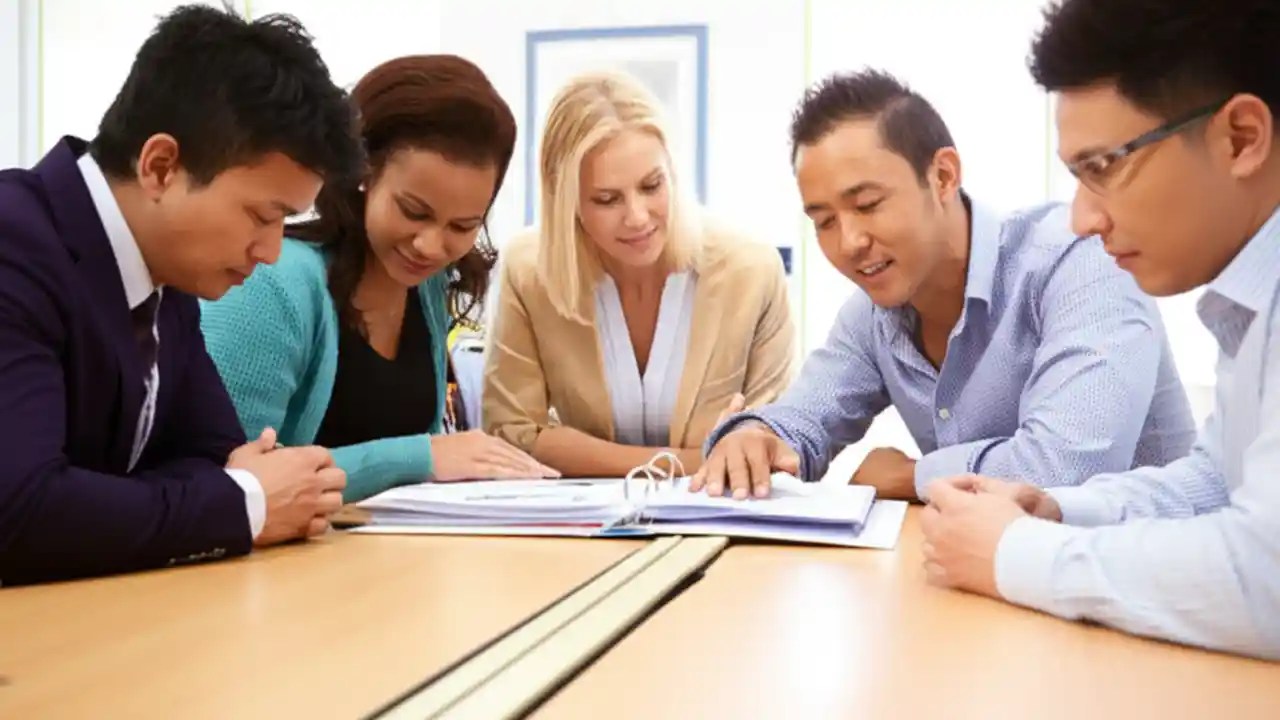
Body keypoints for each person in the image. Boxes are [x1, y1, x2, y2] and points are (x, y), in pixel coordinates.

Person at [920, 0, 1280, 660]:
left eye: (1104, 167)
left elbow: (1269, 577)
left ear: (1240, 138)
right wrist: (1054, 510)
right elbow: (1213, 483)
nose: (1083, 219)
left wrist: (1015, 552)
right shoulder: (1251, 299)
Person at [694, 69, 1196, 500]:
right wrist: (756, 435)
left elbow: (1067, 466)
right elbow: (804, 416)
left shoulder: (1078, 260)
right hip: (994, 568)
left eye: (868, 205)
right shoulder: (872, 316)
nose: (849, 242)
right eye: (824, 221)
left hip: (1146, 570)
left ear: (943, 176)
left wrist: (912, 477)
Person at [0, 5, 361, 585]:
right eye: (261, 216)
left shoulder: (168, 275)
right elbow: (21, 512)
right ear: (161, 167)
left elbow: (219, 457)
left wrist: (210, 495)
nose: (271, 251)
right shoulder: (14, 245)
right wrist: (244, 504)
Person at [201, 55, 556, 504]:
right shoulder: (273, 284)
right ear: (363, 173)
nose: (431, 246)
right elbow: (228, 480)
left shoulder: (426, 286)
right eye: (413, 211)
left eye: (462, 226)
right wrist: (419, 457)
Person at [482, 71, 797, 478]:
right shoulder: (528, 270)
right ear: (566, 201)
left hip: (724, 510)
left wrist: (577, 452)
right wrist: (696, 461)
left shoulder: (752, 271)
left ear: (673, 172)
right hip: (586, 519)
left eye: (651, 186)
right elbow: (512, 436)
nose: (637, 217)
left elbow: (777, 442)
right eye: (606, 199)